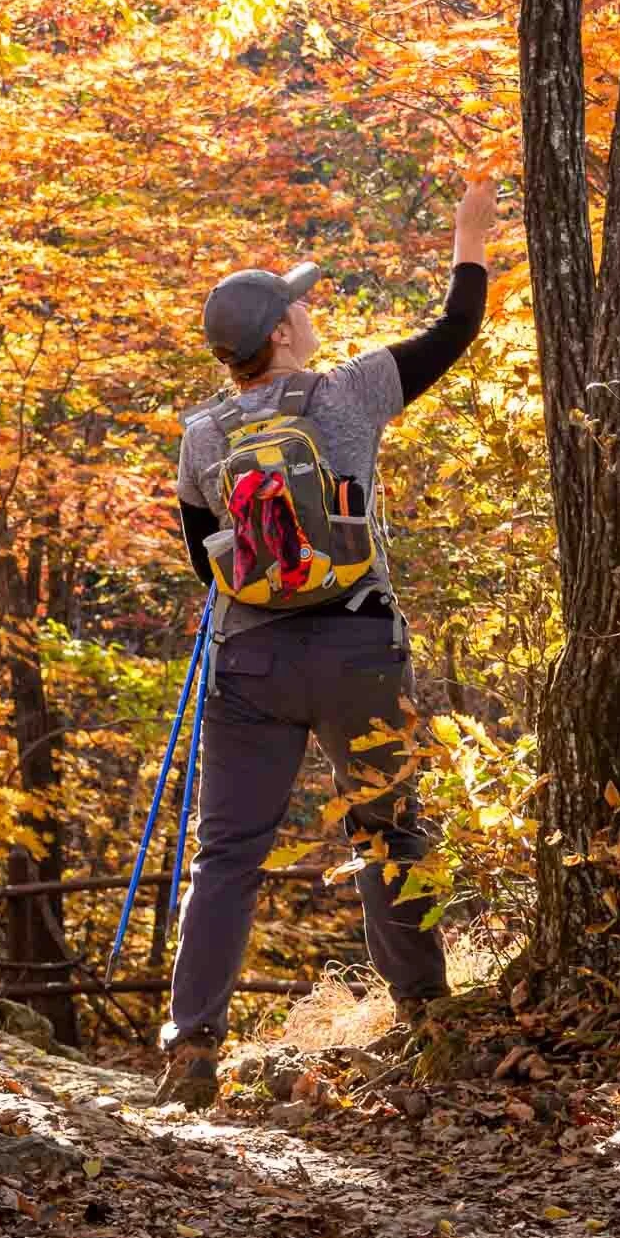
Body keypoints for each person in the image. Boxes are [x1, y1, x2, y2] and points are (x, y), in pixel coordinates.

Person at [155, 176, 497, 1109]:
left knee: (225, 853)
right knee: (388, 826)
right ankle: (427, 1012)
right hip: (357, 651)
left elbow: (206, 561)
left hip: (251, 661)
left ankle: (192, 1049)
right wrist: (469, 234)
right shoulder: (347, 395)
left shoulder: (200, 437)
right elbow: (452, 333)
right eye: (296, 302)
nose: (309, 308)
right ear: (277, 334)